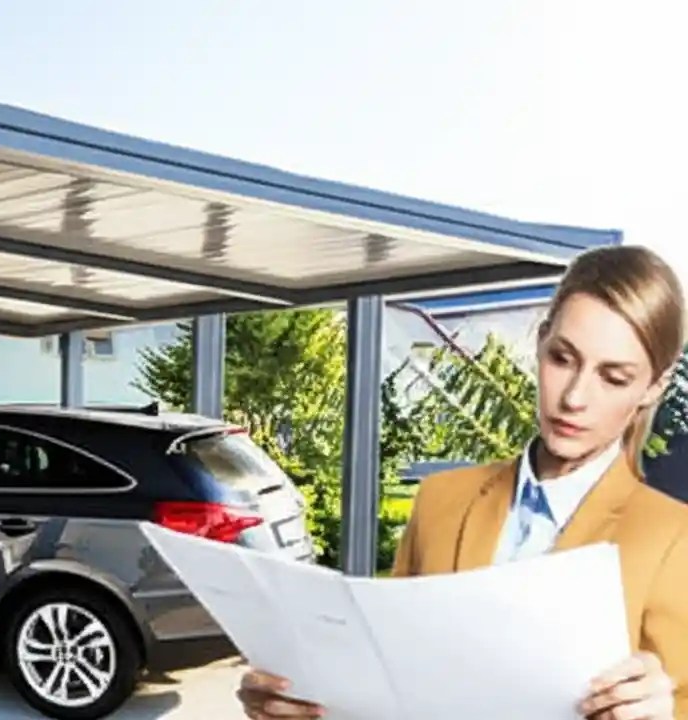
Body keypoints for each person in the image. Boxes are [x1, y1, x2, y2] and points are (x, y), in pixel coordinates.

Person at [238, 245, 688, 720]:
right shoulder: (441, 500)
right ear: (539, 343)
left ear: (654, 386)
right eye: (562, 358)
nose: (575, 396)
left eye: (613, 377)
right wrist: (299, 702)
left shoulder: (674, 537)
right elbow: (388, 688)